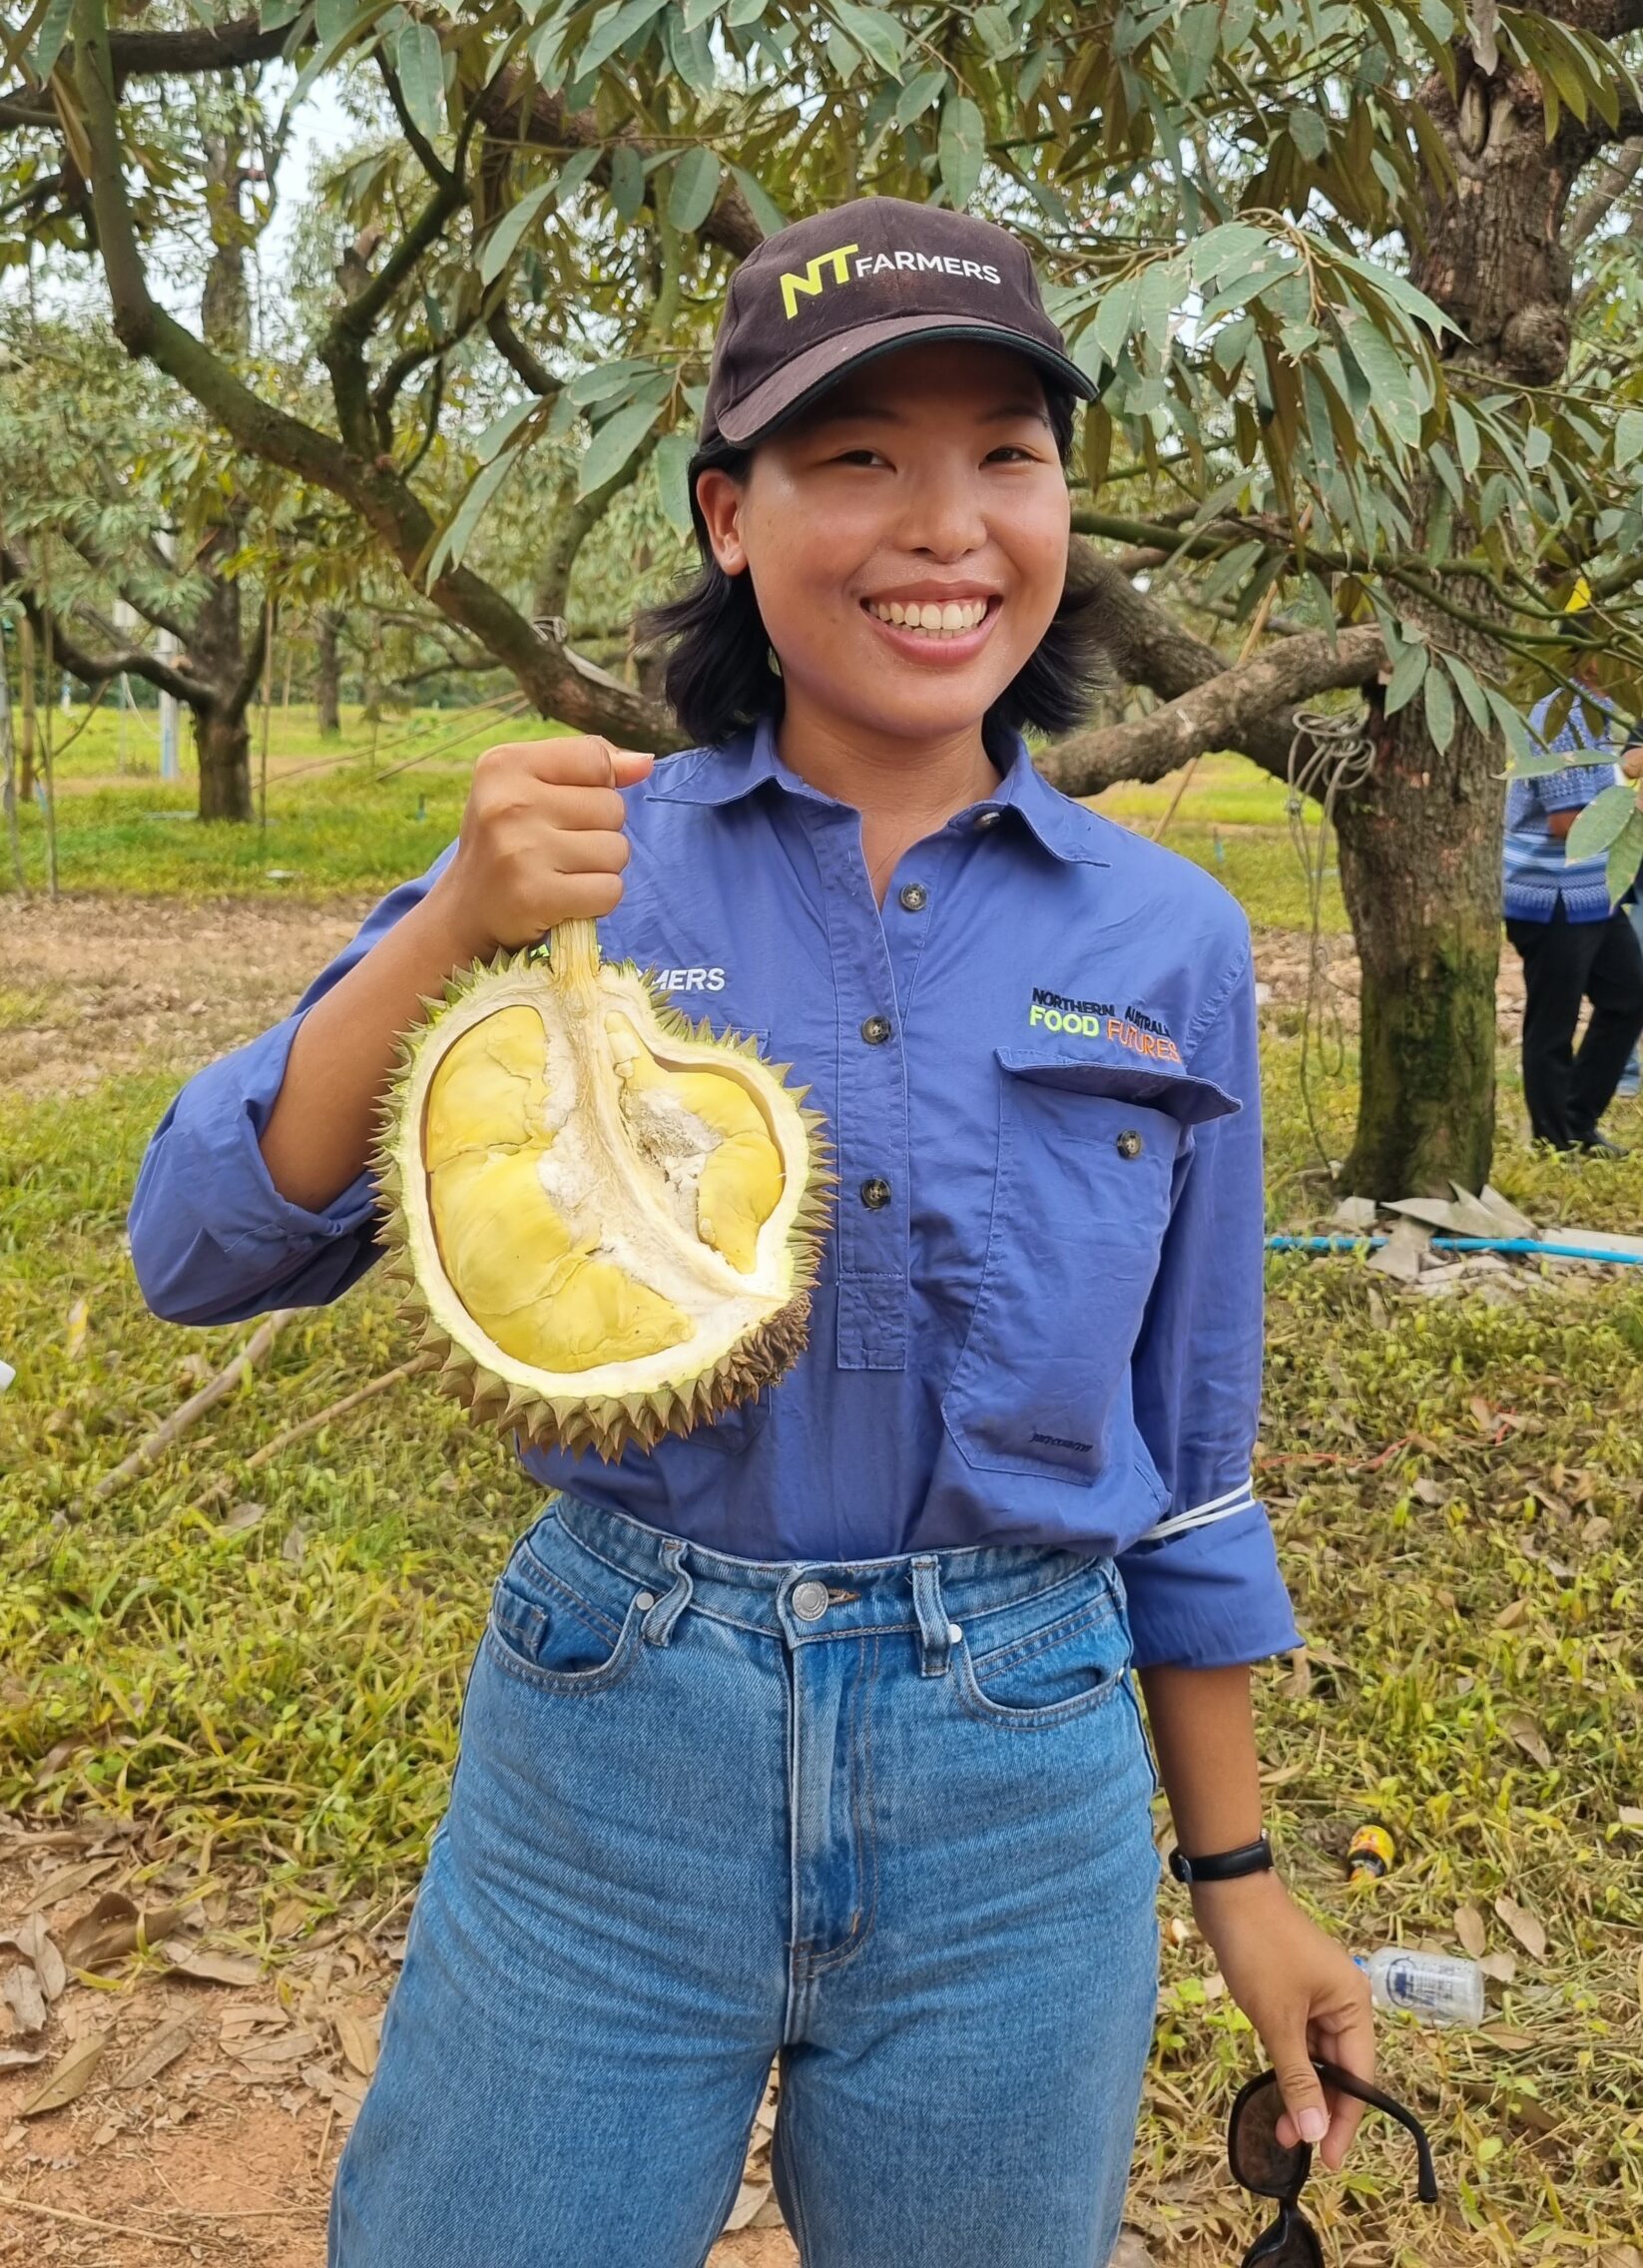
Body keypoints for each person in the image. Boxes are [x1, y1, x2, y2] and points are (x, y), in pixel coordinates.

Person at [130, 198, 1372, 2268]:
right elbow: (196, 1241)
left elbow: (1190, 1459)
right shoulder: (584, 872)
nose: (943, 524)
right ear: (730, 513)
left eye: (1005, 453)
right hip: (619, 1735)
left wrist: (1238, 1874)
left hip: (1019, 1775)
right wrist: (448, 922)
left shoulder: (1171, 938)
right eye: (857, 457)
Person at [1502, 678, 1643, 1155]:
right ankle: (1553, 1139)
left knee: (1629, 996)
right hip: (1552, 894)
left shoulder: (1600, 713)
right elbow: (1569, 824)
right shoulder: (1560, 718)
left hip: (1595, 890)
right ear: (1589, 661)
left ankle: (1578, 1121)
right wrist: (1634, 800)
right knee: (1553, 1022)